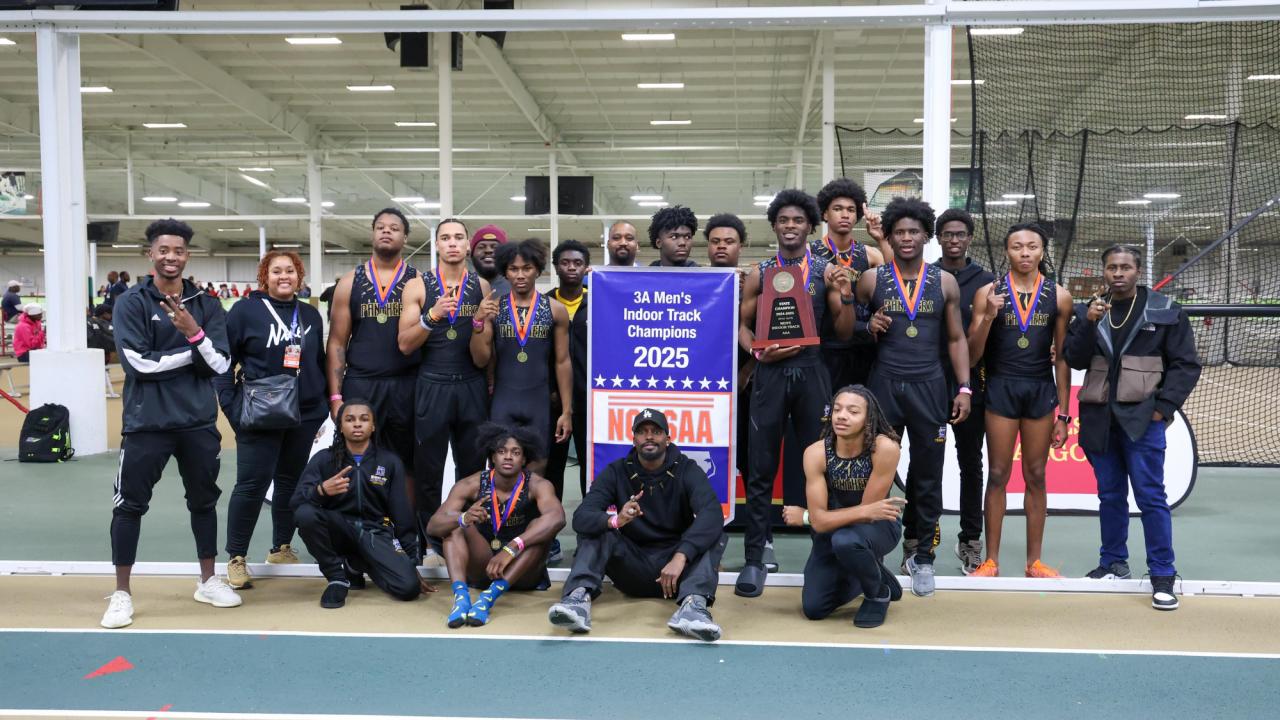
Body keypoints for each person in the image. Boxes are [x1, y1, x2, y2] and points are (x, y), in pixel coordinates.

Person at [102, 218, 238, 629]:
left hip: (197, 422)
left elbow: (222, 363)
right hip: (147, 423)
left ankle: (208, 580)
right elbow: (137, 363)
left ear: (187, 255)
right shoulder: (131, 301)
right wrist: (194, 350)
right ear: (151, 255)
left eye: (178, 251)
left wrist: (195, 333)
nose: (171, 257)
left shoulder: (206, 303)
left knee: (204, 502)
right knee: (129, 506)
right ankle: (122, 593)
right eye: (163, 250)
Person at [1065, 244, 1201, 611]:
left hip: (1143, 421)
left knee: (1151, 497)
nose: (1118, 273)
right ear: (1104, 271)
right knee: (1109, 496)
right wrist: (1088, 323)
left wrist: (1164, 408)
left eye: (1125, 267)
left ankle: (1162, 575)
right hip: (1098, 419)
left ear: (1138, 271)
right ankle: (1112, 563)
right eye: (1112, 267)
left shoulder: (1165, 311)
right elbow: (1073, 358)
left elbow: (1186, 364)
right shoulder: (1090, 310)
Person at [736, 189, 854, 595]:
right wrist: (756, 352)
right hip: (770, 374)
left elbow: (841, 332)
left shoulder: (826, 270)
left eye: (798, 221)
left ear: (809, 226)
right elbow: (743, 326)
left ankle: (822, 556)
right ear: (774, 225)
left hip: (813, 371)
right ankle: (754, 558)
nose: (790, 226)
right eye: (783, 220)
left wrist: (845, 295)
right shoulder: (759, 273)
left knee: (818, 466)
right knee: (761, 467)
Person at [854, 196, 971, 597]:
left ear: (926, 235)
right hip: (884, 385)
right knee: (874, 473)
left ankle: (922, 555)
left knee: (927, 476)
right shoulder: (872, 280)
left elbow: (956, 338)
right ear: (889, 235)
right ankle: (869, 550)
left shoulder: (945, 282)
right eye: (899, 232)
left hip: (929, 386)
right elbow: (848, 326)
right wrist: (868, 323)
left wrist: (965, 387)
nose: (907, 238)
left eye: (914, 231)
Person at [548, 409, 726, 642]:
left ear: (667, 438)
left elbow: (712, 513)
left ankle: (693, 606)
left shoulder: (687, 469)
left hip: (677, 572)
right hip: (632, 567)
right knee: (596, 528)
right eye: (642, 432)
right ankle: (578, 599)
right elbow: (582, 517)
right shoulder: (617, 471)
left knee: (715, 534)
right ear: (634, 440)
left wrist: (682, 555)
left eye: (656, 432)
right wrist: (615, 520)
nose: (649, 437)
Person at [214, 251, 328, 590]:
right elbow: (223, 363)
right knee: (251, 485)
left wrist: (321, 406)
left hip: (304, 414)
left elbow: (317, 362)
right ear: (265, 276)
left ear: (299, 276)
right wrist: (232, 408)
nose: (284, 276)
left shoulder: (309, 314)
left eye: (290, 271)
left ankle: (280, 548)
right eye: (276, 270)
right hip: (259, 414)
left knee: (290, 482)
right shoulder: (245, 311)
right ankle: (236, 557)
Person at [966, 223, 1073, 579]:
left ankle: (1034, 562)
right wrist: (988, 317)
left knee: (1037, 475)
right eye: (1017, 247)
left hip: (1040, 392)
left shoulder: (1059, 296)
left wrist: (1065, 413)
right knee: (997, 474)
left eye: (1031, 247)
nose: (1024, 253)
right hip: (1001, 389)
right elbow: (970, 354)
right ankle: (991, 560)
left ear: (1042, 251)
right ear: (1006, 251)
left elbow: (1062, 357)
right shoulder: (988, 293)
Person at [398, 218, 491, 562]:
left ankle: (468, 535)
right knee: (428, 472)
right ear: (436, 245)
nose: (452, 243)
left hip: (470, 384)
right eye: (445, 238)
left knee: (471, 470)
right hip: (432, 382)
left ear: (468, 246)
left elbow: (483, 355)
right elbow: (405, 344)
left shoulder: (480, 287)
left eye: (458, 238)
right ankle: (428, 543)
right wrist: (431, 316)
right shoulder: (418, 286)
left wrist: (480, 323)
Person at [782, 386, 905, 628]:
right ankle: (870, 571)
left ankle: (877, 592)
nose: (841, 416)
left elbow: (869, 516)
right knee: (814, 608)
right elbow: (826, 520)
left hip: (878, 528)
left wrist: (808, 517)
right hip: (830, 532)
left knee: (847, 541)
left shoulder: (885, 449)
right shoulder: (816, 453)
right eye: (837, 409)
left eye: (853, 411)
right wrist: (816, 518)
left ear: (868, 418)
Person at [326, 208, 421, 517]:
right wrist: (336, 396)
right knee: (354, 458)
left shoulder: (418, 281)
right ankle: (355, 530)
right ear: (372, 233)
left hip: (406, 383)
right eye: (380, 226)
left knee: (406, 461)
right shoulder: (350, 282)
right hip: (361, 384)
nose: (386, 231)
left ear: (405, 238)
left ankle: (406, 536)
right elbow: (338, 342)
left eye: (394, 228)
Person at [428, 423, 566, 627]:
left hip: (521, 567)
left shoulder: (538, 485)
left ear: (524, 459)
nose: (508, 457)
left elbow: (558, 518)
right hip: (482, 563)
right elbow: (433, 526)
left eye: (515, 452)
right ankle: (461, 599)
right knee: (454, 525)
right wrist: (463, 517)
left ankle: (487, 598)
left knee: (541, 528)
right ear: (492, 457)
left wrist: (512, 547)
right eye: (502, 451)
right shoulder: (471, 484)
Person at [292, 399, 422, 608]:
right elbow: (296, 502)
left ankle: (355, 564)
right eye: (350, 419)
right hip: (339, 528)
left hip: (376, 532)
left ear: (373, 426)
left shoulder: (389, 462)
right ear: (340, 427)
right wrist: (321, 491)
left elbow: (403, 516)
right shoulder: (324, 459)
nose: (357, 424)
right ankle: (337, 577)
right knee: (306, 514)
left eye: (364, 419)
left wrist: (410, 562)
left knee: (408, 588)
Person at [470, 239, 572, 477]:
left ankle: (531, 515)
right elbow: (479, 358)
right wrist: (478, 321)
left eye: (526, 268)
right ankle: (502, 515)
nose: (520, 275)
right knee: (500, 465)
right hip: (503, 400)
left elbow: (562, 361)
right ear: (505, 271)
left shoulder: (555, 310)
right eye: (514, 269)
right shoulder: (494, 308)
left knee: (538, 467)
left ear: (538, 269)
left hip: (538, 402)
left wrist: (567, 411)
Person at [932, 208, 996, 574]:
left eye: (960, 234)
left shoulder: (985, 279)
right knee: (930, 465)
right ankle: (927, 534)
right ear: (938, 237)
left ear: (969, 238)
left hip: (972, 385)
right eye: (947, 234)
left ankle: (970, 539)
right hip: (929, 382)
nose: (954, 239)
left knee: (971, 464)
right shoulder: (926, 276)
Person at [811, 178, 886, 390]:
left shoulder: (870, 254)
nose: (845, 214)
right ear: (825, 214)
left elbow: (895, 280)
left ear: (858, 215)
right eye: (838, 209)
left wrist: (881, 239)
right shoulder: (809, 252)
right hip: (823, 347)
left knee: (860, 413)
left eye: (851, 210)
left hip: (862, 345)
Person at [545, 240, 590, 522]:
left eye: (577, 263)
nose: (571, 267)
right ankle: (549, 535)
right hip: (552, 402)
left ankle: (589, 531)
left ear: (586, 267)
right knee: (552, 470)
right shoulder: (544, 303)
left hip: (590, 401)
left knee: (591, 470)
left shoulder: (600, 300)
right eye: (565, 262)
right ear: (556, 267)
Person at [470, 224, 510, 296]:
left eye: (495, 247)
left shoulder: (517, 288)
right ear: (472, 254)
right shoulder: (461, 287)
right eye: (481, 247)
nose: (488, 250)